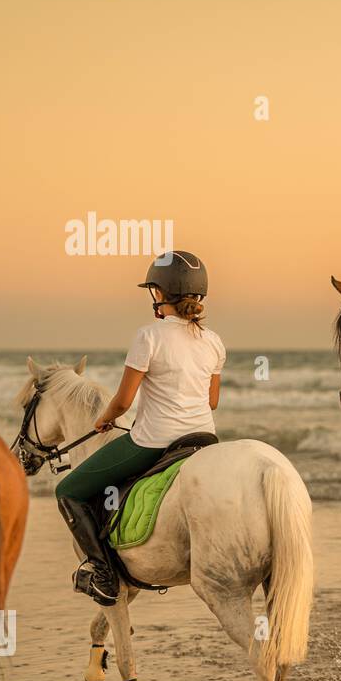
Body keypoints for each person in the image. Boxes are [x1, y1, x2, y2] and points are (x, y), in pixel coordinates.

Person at [56, 252, 226, 604]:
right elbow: (211, 402)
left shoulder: (148, 336)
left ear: (161, 293)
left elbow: (123, 402)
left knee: (68, 491)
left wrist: (104, 418)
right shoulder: (213, 341)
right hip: (205, 440)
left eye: (154, 290)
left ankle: (102, 572)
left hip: (155, 441)